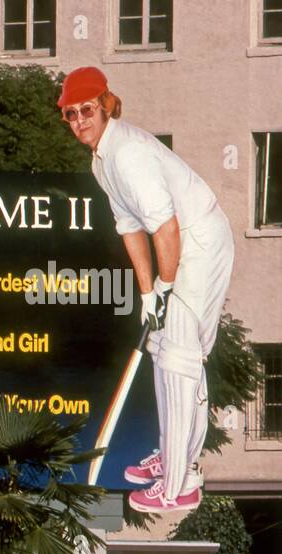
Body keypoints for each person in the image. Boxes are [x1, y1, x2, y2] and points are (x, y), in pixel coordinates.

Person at [58, 66, 233, 514]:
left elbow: (166, 227)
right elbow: (130, 227)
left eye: (87, 110)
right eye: (71, 113)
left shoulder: (128, 155)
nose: (79, 121)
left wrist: (167, 285)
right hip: (181, 243)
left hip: (196, 242)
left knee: (179, 358)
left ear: (106, 104)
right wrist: (146, 293)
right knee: (164, 346)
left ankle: (177, 486)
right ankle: (175, 459)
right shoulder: (102, 159)